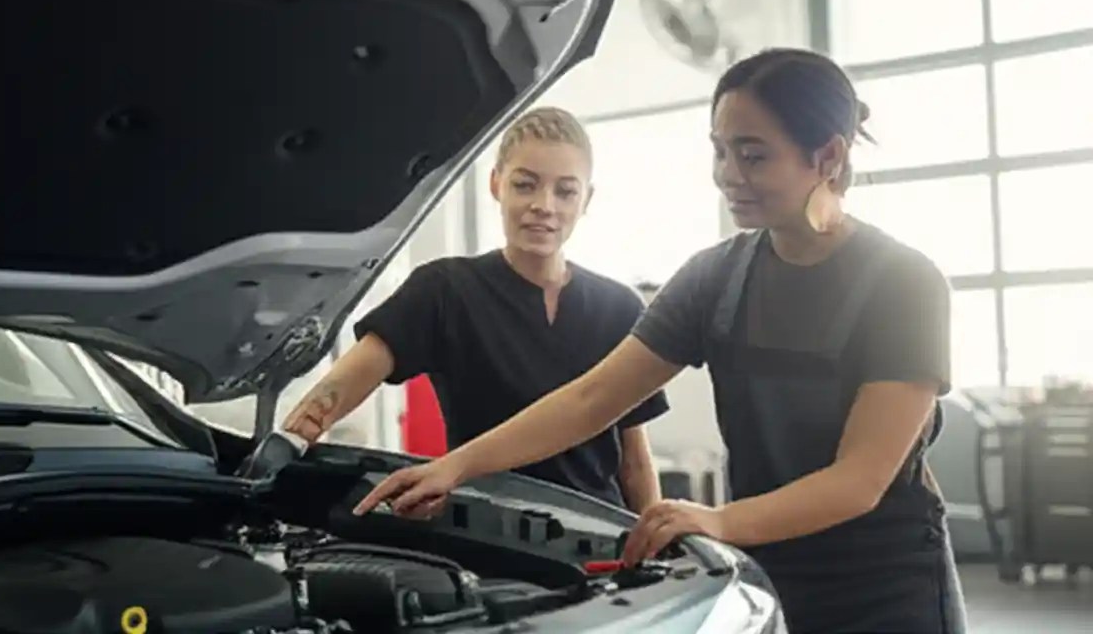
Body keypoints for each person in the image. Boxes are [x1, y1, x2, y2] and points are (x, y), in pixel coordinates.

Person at [353, 49, 969, 634]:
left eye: (752, 156)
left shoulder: (903, 283)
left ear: (827, 156)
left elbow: (858, 479)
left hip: (884, 580)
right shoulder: (714, 277)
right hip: (766, 563)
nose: (728, 175)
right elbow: (592, 399)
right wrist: (455, 466)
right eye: (720, 151)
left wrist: (720, 519)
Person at [282, 106, 670, 513]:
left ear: (586, 199)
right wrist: (292, 438)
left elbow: (635, 461)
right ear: (496, 184)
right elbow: (354, 374)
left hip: (598, 534)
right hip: (486, 537)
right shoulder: (445, 291)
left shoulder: (620, 308)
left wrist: (657, 549)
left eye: (565, 191)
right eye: (525, 185)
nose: (544, 205)